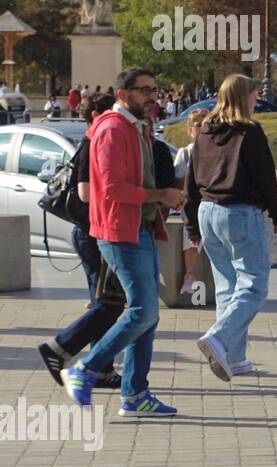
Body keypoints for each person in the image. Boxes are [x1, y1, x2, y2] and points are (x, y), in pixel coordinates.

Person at [61, 68, 185, 416]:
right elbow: (112, 189)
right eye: (143, 90)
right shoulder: (113, 130)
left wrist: (166, 197)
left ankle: (134, 394)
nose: (152, 96)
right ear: (122, 94)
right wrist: (160, 194)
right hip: (119, 232)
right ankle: (86, 369)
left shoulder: (136, 128)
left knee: (148, 315)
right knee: (142, 312)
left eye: (155, 89)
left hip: (139, 230)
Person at [185, 74, 277, 381]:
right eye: (255, 95)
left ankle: (234, 356)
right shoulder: (250, 132)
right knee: (254, 286)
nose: (256, 101)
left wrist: (192, 225)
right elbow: (265, 176)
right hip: (239, 212)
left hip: (207, 211)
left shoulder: (204, 130)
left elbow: (191, 180)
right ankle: (218, 338)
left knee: (229, 285)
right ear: (245, 97)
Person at [38, 93, 121, 388]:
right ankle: (60, 348)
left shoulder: (95, 139)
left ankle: (101, 369)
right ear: (96, 113)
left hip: (94, 232)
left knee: (106, 303)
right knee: (108, 304)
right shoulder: (91, 143)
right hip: (91, 233)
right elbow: (85, 193)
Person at [172, 107, 207, 294]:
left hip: (211, 203)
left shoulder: (217, 149)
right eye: (197, 125)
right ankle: (189, 275)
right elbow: (177, 180)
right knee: (190, 236)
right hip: (191, 204)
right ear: (190, 130)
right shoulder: (185, 153)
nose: (201, 128)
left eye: (205, 124)